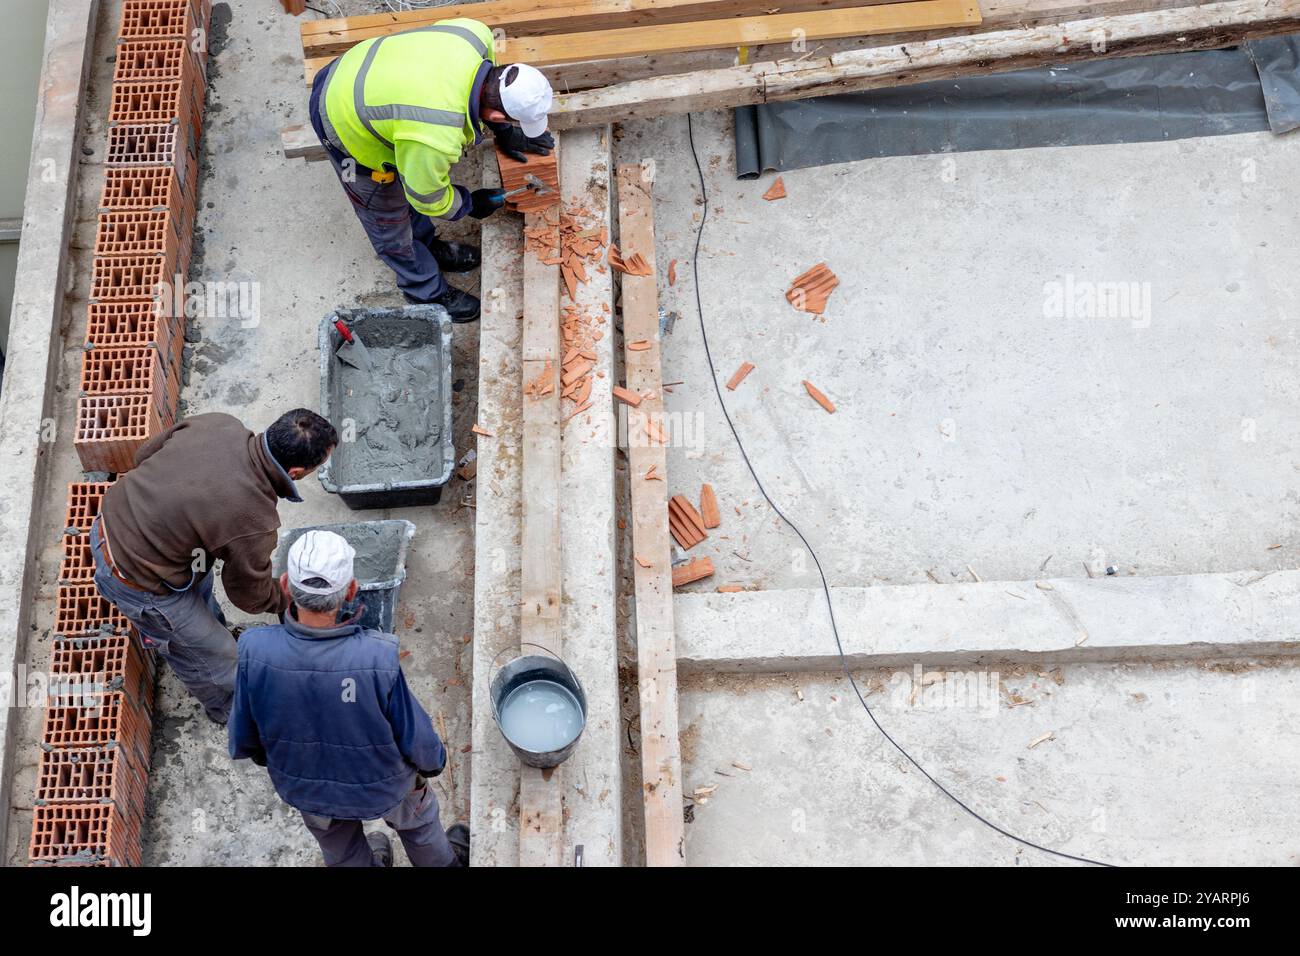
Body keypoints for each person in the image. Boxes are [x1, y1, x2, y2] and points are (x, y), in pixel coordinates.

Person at [228, 530, 469, 867]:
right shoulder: (376, 656)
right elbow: (415, 736)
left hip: (310, 792)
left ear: (285, 585)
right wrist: (433, 763)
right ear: (352, 590)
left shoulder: (254, 649)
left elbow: (245, 738)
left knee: (341, 851)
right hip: (384, 786)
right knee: (419, 825)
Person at [91, 410, 337, 725]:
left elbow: (143, 455)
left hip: (112, 518)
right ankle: (229, 710)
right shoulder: (253, 519)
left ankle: (210, 630)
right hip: (135, 577)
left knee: (201, 588)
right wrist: (289, 600)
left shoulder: (220, 424)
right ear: (297, 472)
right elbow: (248, 595)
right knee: (218, 660)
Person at [308, 16, 555, 321]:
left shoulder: (475, 34)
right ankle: (425, 290)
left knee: (412, 173)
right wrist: (469, 204)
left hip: (358, 70)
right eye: (510, 122)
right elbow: (426, 196)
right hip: (339, 112)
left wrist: (502, 131)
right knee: (388, 217)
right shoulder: (436, 133)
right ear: (497, 112)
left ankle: (427, 245)